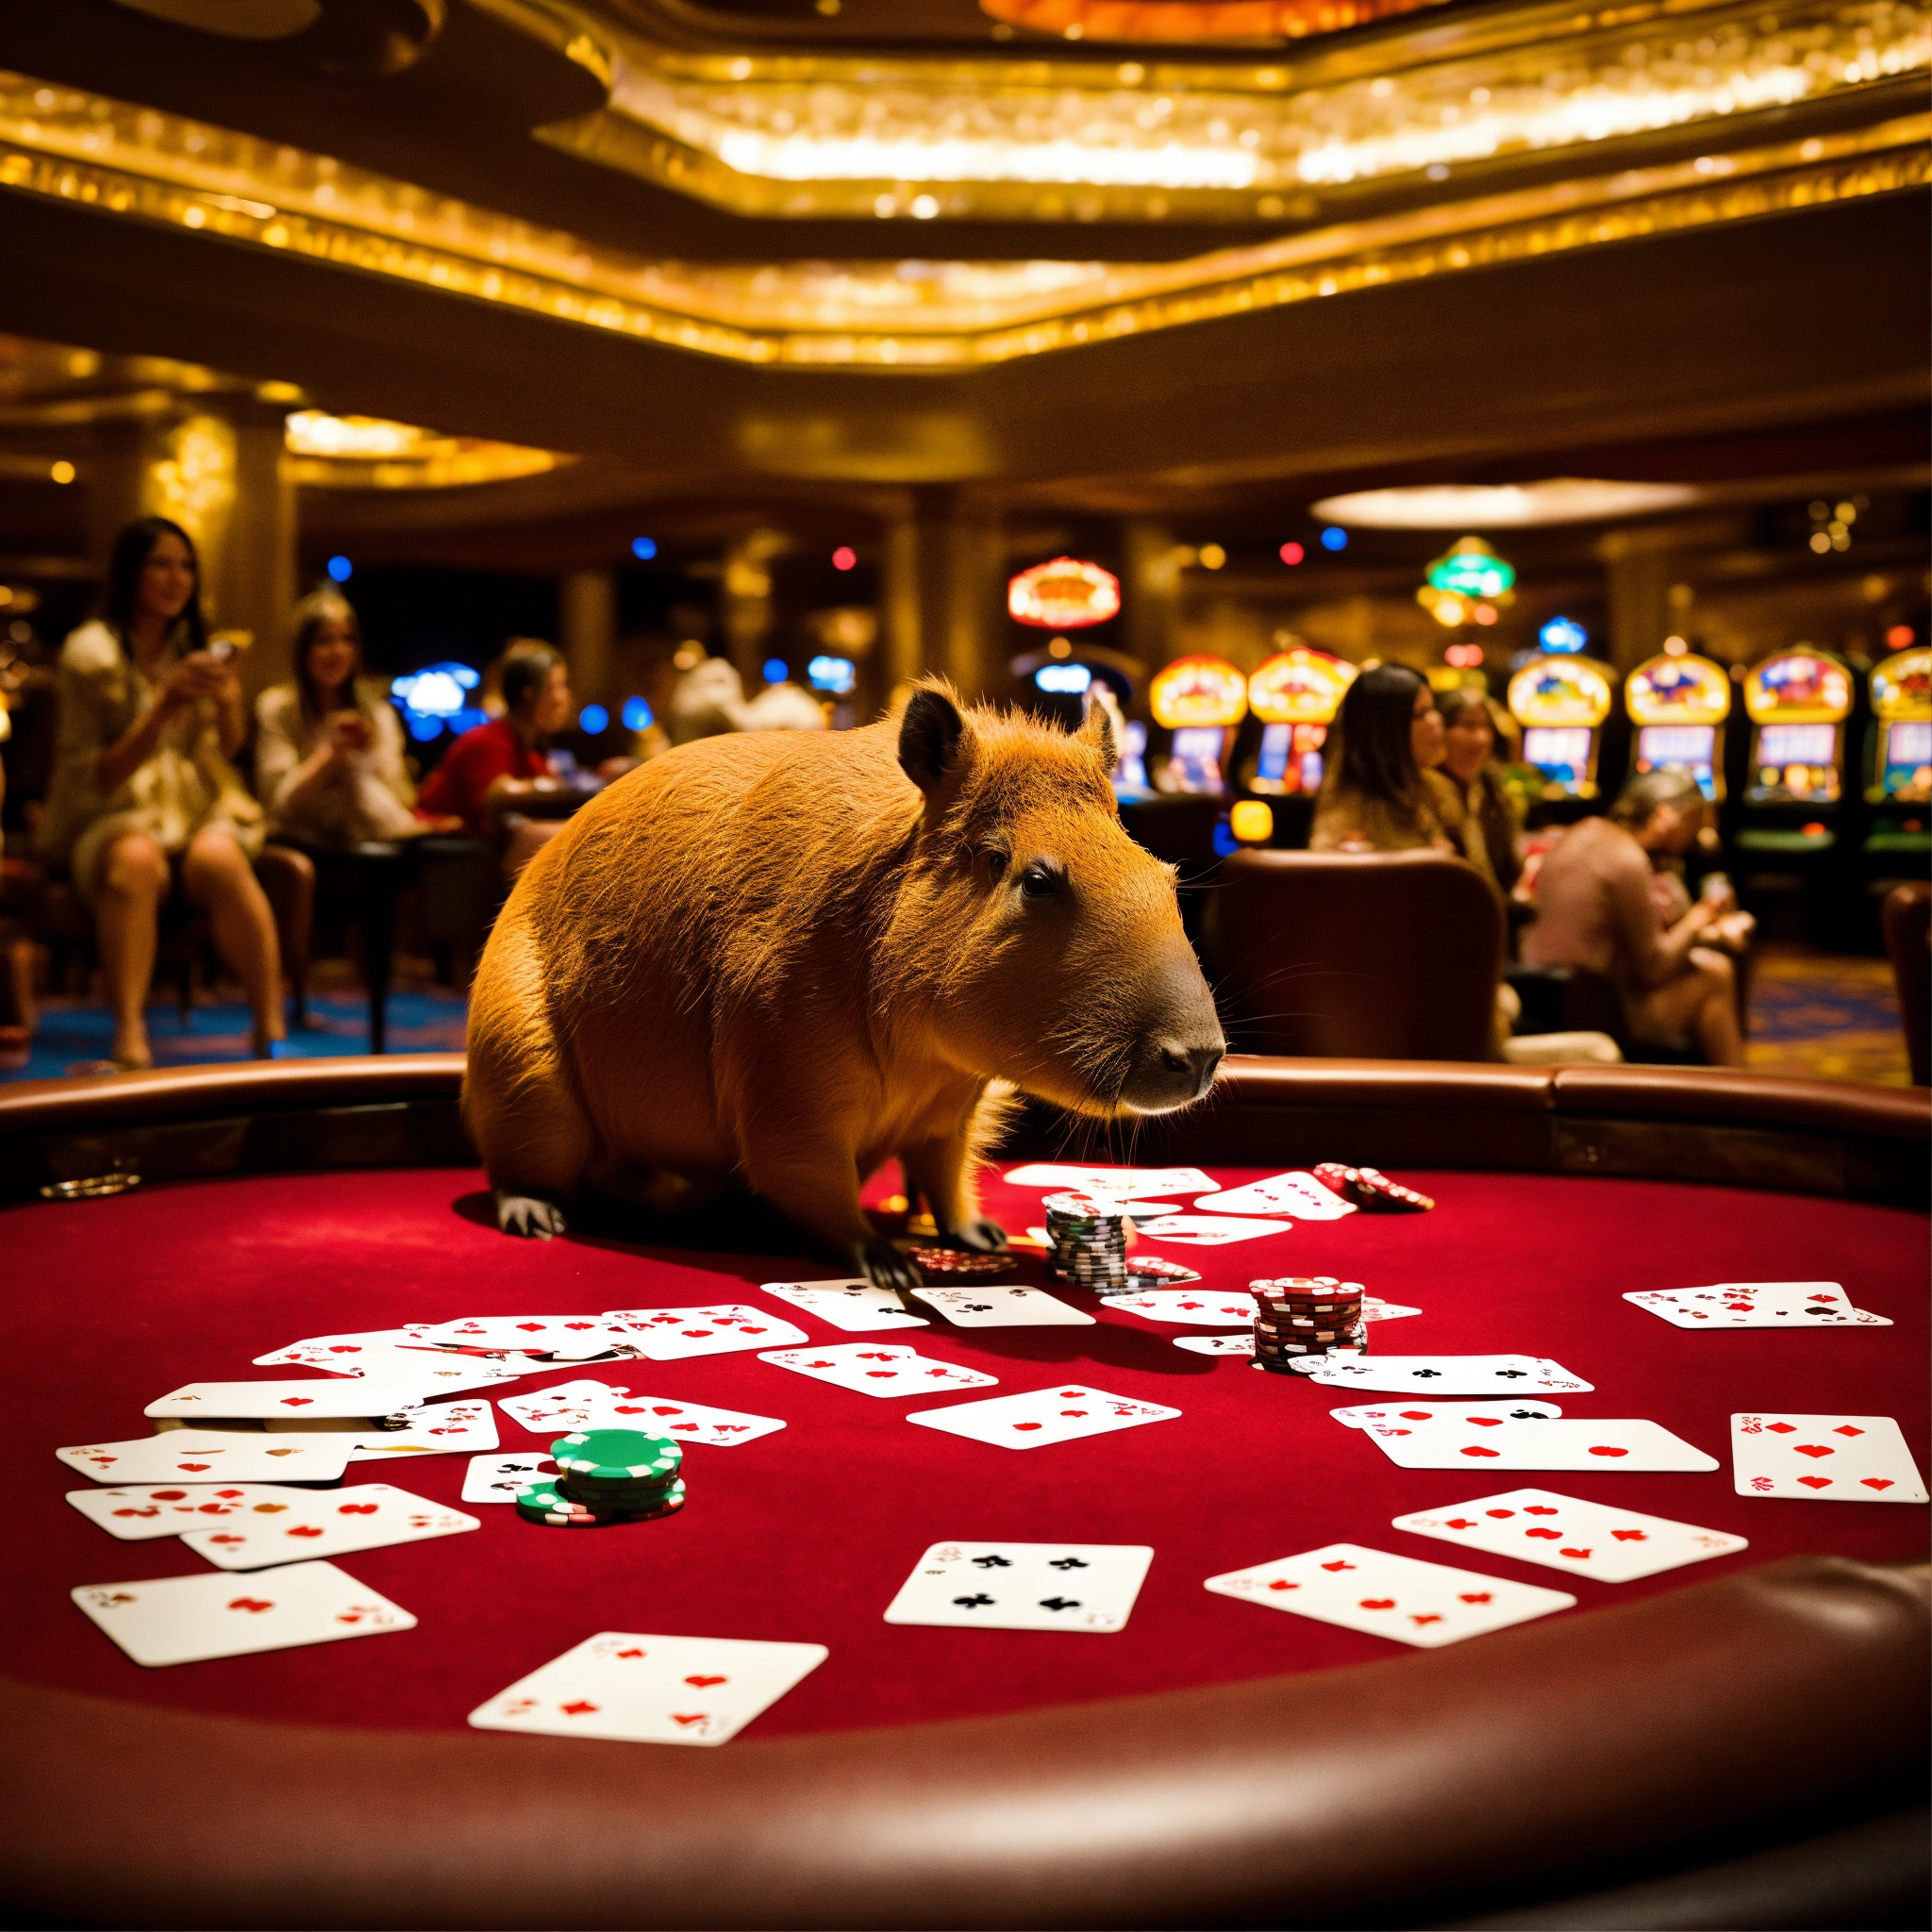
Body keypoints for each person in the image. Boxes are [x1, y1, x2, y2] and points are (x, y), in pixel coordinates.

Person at [37, 516, 284, 1069]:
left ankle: (270, 1034)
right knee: (137, 860)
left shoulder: (195, 644)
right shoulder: (90, 653)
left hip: (192, 810)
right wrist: (163, 707)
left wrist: (224, 701)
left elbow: (230, 745)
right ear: (130, 573)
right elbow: (96, 776)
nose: (178, 579)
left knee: (223, 857)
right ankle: (129, 1038)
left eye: (186, 566)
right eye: (162, 564)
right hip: (109, 812)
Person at [1521, 766, 1746, 1065]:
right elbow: (1653, 967)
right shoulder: (1628, 857)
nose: (1699, 833)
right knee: (1716, 977)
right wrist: (1701, 915)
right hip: (1593, 1006)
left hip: (1540, 991)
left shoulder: (1581, 831)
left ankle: (1714, 1094)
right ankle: (1736, 1092)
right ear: (1667, 815)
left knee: (1711, 982)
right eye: (1695, 820)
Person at [256, 589, 458, 845]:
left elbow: (397, 791)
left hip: (370, 830)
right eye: (324, 641)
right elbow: (279, 806)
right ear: (302, 649)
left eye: (346, 639)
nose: (338, 651)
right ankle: (411, 831)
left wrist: (370, 753)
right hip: (302, 833)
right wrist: (329, 756)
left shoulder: (374, 710)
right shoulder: (278, 707)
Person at [417, 640, 574, 871]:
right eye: (555, 687)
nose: (564, 698)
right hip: (442, 858)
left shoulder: (529, 750)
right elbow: (496, 803)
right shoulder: (488, 740)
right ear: (527, 695)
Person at [1309, 663, 1472, 859]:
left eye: (1433, 709)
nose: (1436, 720)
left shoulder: (1438, 790)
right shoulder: (1350, 811)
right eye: (1421, 714)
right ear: (1383, 731)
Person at [1437, 688, 1524, 892]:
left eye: (1487, 727)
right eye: (1468, 726)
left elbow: (1508, 871)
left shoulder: (1491, 788)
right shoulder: (1423, 792)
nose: (1481, 739)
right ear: (1440, 730)